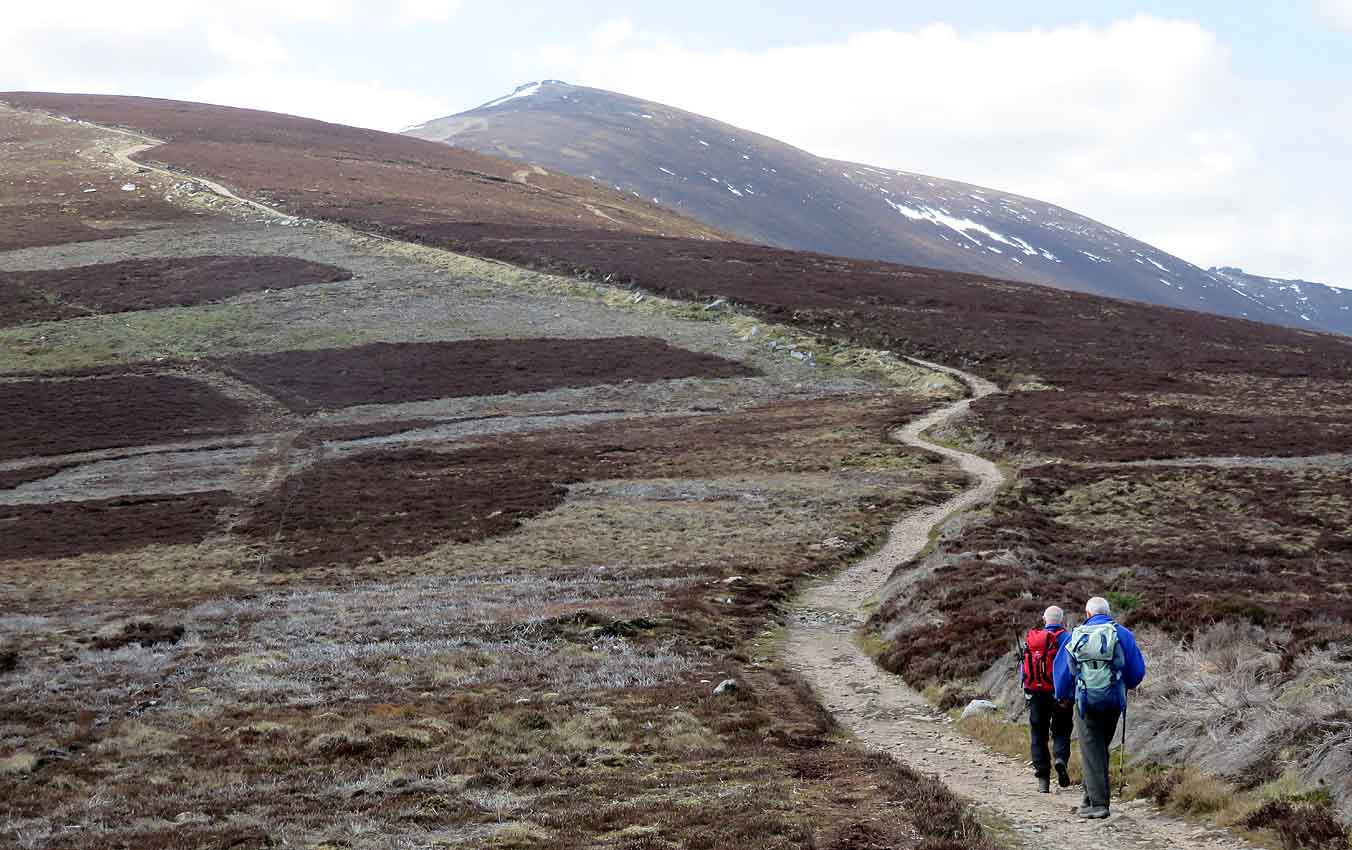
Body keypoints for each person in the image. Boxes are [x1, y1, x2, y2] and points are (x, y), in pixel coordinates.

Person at [1054, 596, 1146, 820]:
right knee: (1099, 746)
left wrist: (1063, 696)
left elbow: (1063, 672)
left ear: (1087, 614)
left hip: (1085, 700)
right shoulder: (1122, 634)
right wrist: (1125, 685)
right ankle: (1089, 797)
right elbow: (1137, 672)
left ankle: (1098, 804)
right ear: (1109, 612)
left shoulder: (1076, 635)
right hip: (1114, 700)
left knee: (1092, 748)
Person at [1021, 605, 1073, 793]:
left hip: (1036, 693)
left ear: (1044, 620)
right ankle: (1060, 759)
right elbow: (1072, 669)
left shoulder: (1033, 639)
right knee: (1062, 730)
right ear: (1062, 620)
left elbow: (1024, 668)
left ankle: (1043, 779)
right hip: (1062, 695)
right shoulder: (1068, 638)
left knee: (1038, 734)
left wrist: (1027, 690)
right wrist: (1070, 694)